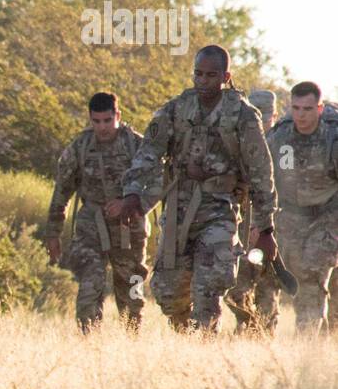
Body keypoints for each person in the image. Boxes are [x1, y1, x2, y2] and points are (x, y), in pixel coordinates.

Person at [118, 45, 276, 332]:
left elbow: (261, 172)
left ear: (225, 76)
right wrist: (132, 193)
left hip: (219, 210)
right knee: (167, 292)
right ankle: (186, 335)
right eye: (198, 74)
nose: (202, 81)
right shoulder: (177, 109)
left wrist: (265, 229)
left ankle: (204, 342)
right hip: (179, 209)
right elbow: (148, 152)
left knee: (209, 288)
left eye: (210, 75)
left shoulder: (242, 115)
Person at [46, 92, 148, 332]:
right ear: (90, 119)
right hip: (91, 225)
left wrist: (128, 203)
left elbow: (154, 184)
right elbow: (62, 191)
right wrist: (53, 233)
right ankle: (89, 340)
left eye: (107, 120)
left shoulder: (138, 146)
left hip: (129, 228)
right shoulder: (80, 147)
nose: (102, 127)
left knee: (131, 292)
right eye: (96, 121)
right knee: (90, 284)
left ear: (118, 116)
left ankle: (132, 343)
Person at [264, 82, 338, 333]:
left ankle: (305, 342)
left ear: (319, 108)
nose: (301, 115)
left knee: (311, 276)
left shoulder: (333, 138)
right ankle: (322, 329)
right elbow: (262, 178)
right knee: (283, 274)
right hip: (290, 216)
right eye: (295, 108)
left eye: (307, 108)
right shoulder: (279, 136)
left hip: (327, 215)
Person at [225, 89, 281, 333]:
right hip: (241, 229)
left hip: (272, 232)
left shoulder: (282, 147)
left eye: (266, 117)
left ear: (275, 116)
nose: (262, 122)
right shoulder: (235, 143)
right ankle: (246, 329)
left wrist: (265, 227)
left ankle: (263, 340)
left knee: (268, 293)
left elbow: (286, 193)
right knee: (235, 290)